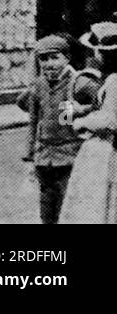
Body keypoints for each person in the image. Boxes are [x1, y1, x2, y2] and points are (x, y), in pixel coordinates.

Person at [16, 34, 86, 224]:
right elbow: (31, 118)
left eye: (55, 57)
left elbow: (102, 104)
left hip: (70, 158)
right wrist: (29, 156)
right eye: (43, 59)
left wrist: (81, 110)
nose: (49, 63)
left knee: (69, 210)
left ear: (67, 58)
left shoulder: (78, 82)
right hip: (44, 159)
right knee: (47, 213)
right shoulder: (39, 85)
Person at [59, 22, 117, 225]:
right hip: (56, 149)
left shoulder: (87, 80)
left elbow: (109, 118)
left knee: (96, 201)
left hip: (101, 147)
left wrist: (80, 121)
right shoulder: (95, 79)